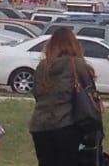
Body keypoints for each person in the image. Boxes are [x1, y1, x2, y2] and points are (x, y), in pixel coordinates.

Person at [29, 26, 97, 166]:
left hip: (40, 125)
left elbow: (36, 93)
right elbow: (90, 92)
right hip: (67, 124)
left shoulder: (43, 66)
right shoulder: (76, 64)